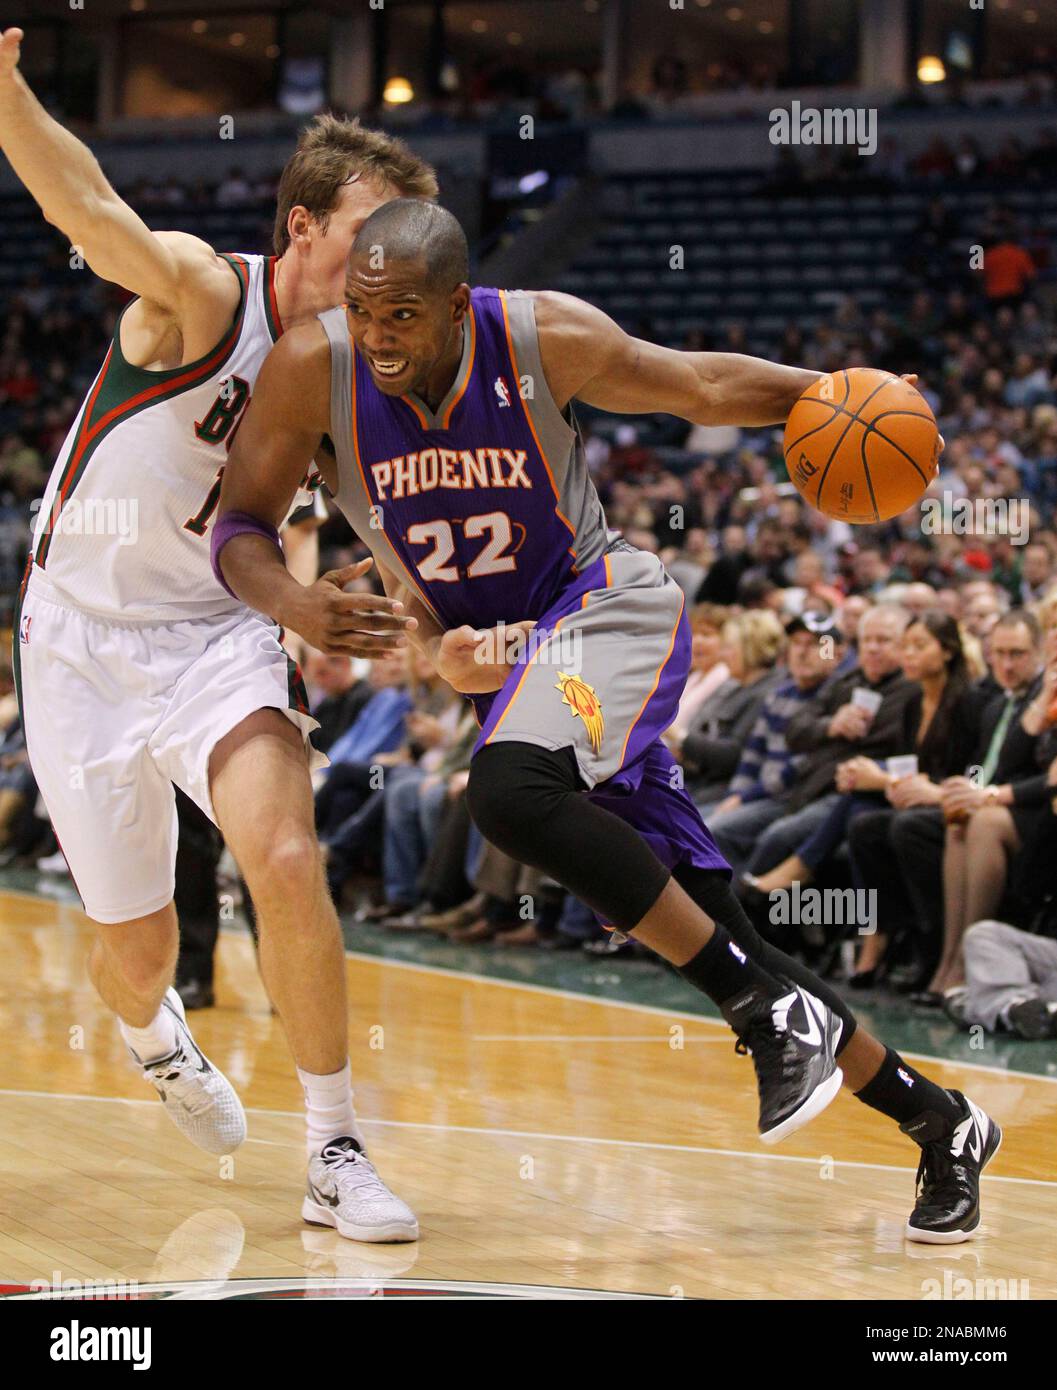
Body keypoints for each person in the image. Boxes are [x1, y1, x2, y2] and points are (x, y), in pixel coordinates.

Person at [214, 198, 1000, 1243]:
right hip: (517, 671)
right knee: (724, 930)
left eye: (401, 315)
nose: (379, 336)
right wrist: (298, 603)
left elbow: (700, 385)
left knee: (503, 791)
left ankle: (766, 1014)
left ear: (456, 304)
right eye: (363, 310)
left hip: (605, 612)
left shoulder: (541, 335)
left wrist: (831, 393)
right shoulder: (318, 368)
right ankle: (941, 1120)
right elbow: (238, 525)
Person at [1, 26, 435, 1241]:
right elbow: (87, 205)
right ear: (303, 229)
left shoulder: (352, 373)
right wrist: (6, 96)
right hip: (78, 637)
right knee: (136, 950)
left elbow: (390, 518)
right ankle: (152, 1035)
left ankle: (335, 1147)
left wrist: (456, 631)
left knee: (285, 854)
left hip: (215, 629)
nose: (389, 260)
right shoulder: (200, 289)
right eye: (369, 233)